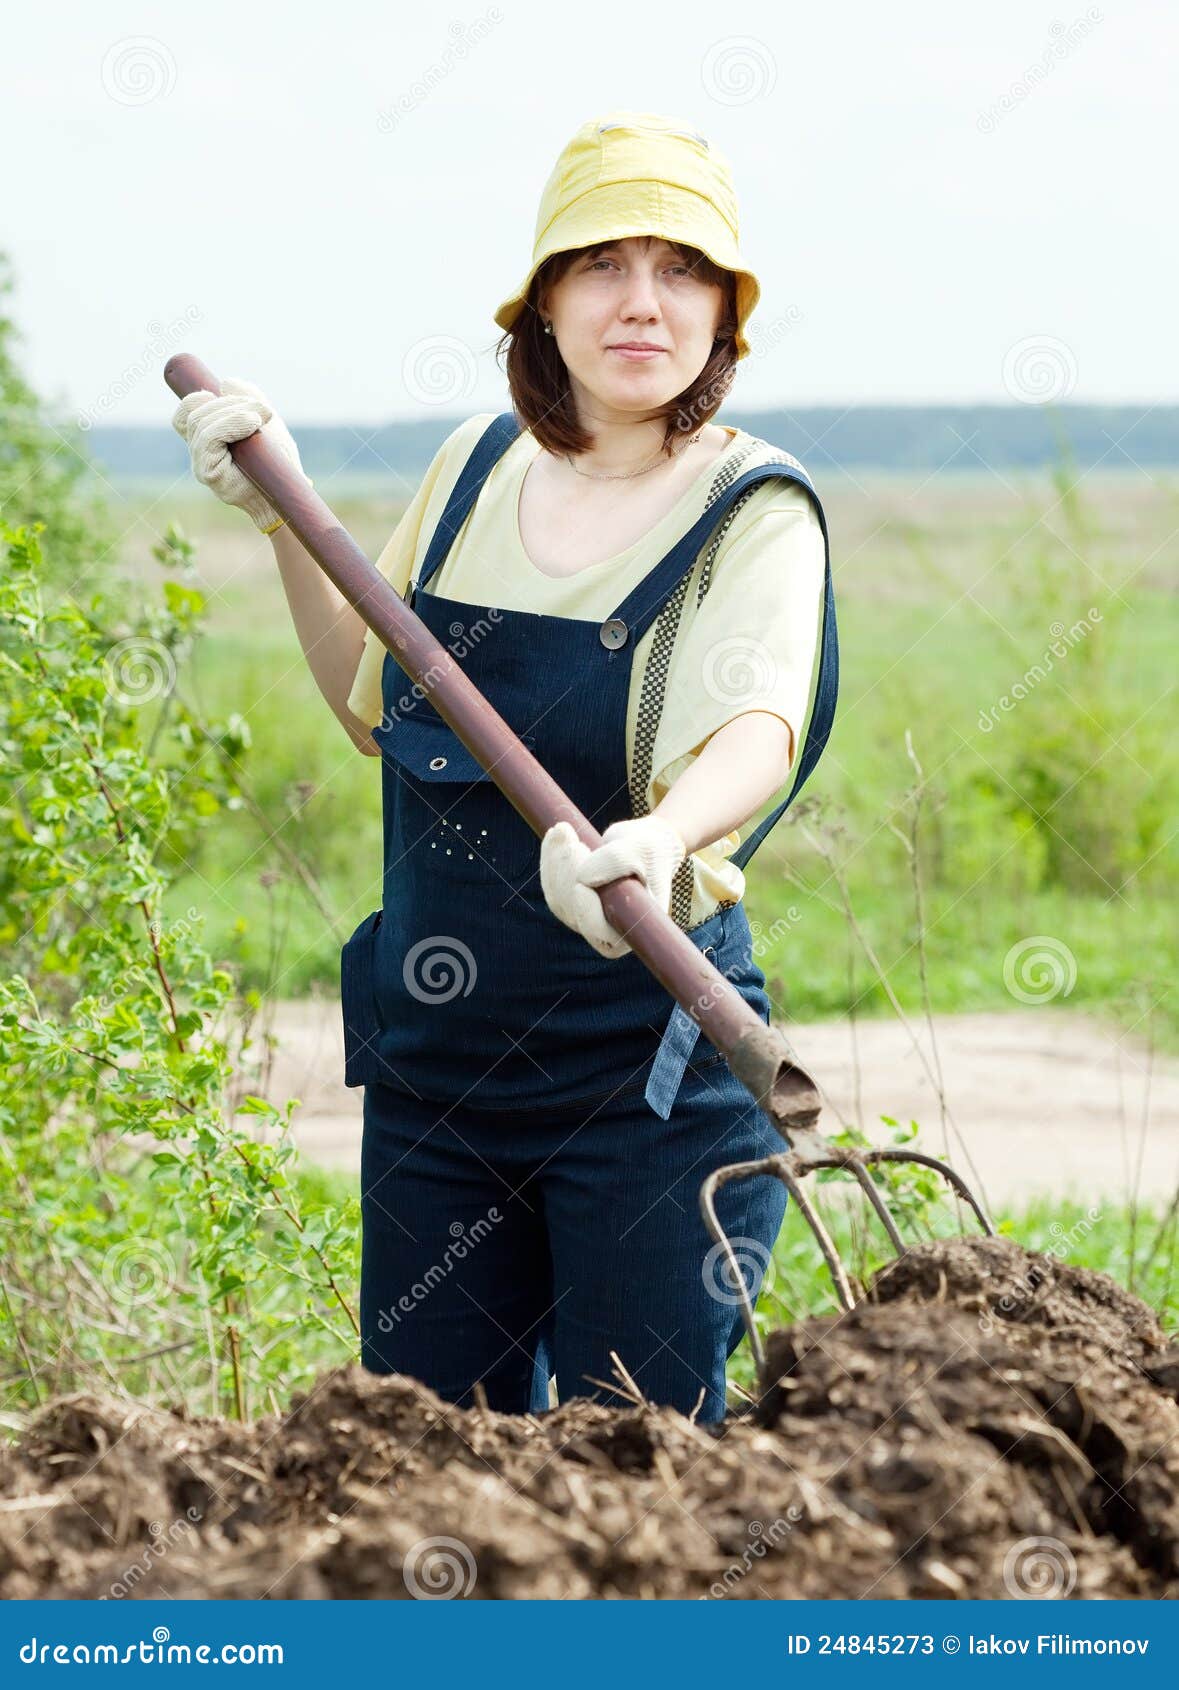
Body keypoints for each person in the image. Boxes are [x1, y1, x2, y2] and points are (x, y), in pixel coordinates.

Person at [173, 109, 837, 1424]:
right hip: (442, 1079)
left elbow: (754, 724)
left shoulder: (750, 508)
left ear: (727, 308)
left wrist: (660, 834)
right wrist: (284, 517)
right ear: (541, 301)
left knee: (632, 1471)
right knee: (418, 1462)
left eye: (682, 268)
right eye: (601, 264)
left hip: (643, 1087)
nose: (643, 302)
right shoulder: (472, 472)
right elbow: (375, 709)